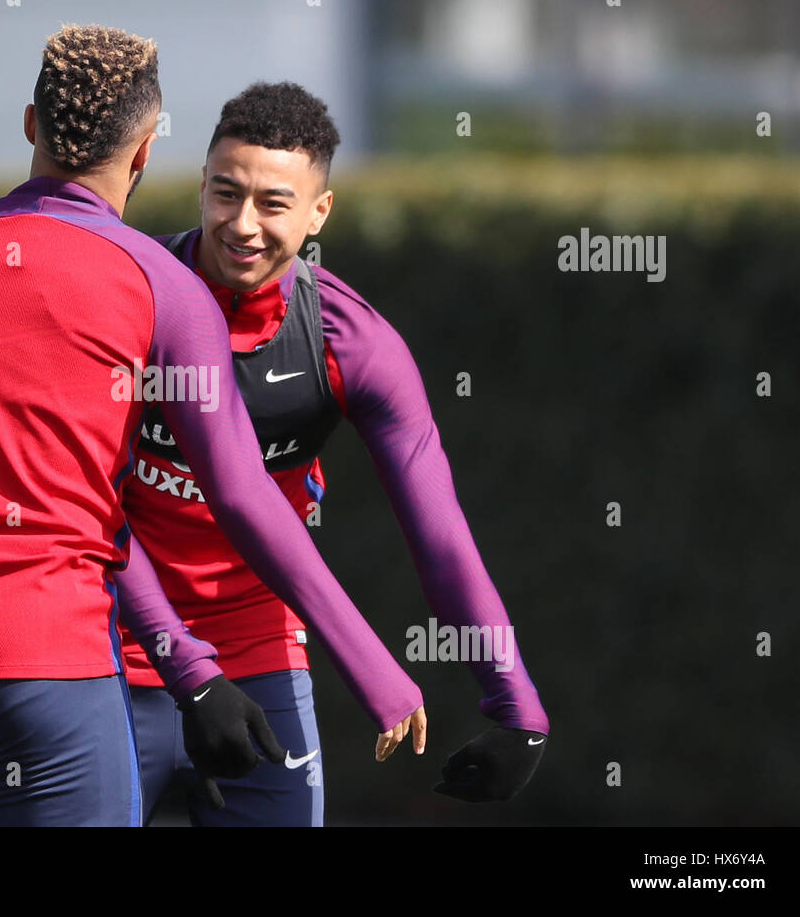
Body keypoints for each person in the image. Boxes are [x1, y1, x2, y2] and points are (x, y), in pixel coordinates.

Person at [0, 28, 423, 826]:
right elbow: (245, 500)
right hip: (57, 669)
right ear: (145, 155)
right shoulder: (161, 284)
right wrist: (372, 668)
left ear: (32, 124)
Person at [116, 82, 550, 826]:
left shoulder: (352, 343)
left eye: (274, 203)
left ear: (320, 213)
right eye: (226, 193)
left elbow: (441, 540)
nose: (242, 225)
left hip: (257, 656)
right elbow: (78, 502)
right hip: (105, 655)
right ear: (200, 186)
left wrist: (518, 706)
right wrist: (182, 665)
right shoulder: (125, 302)